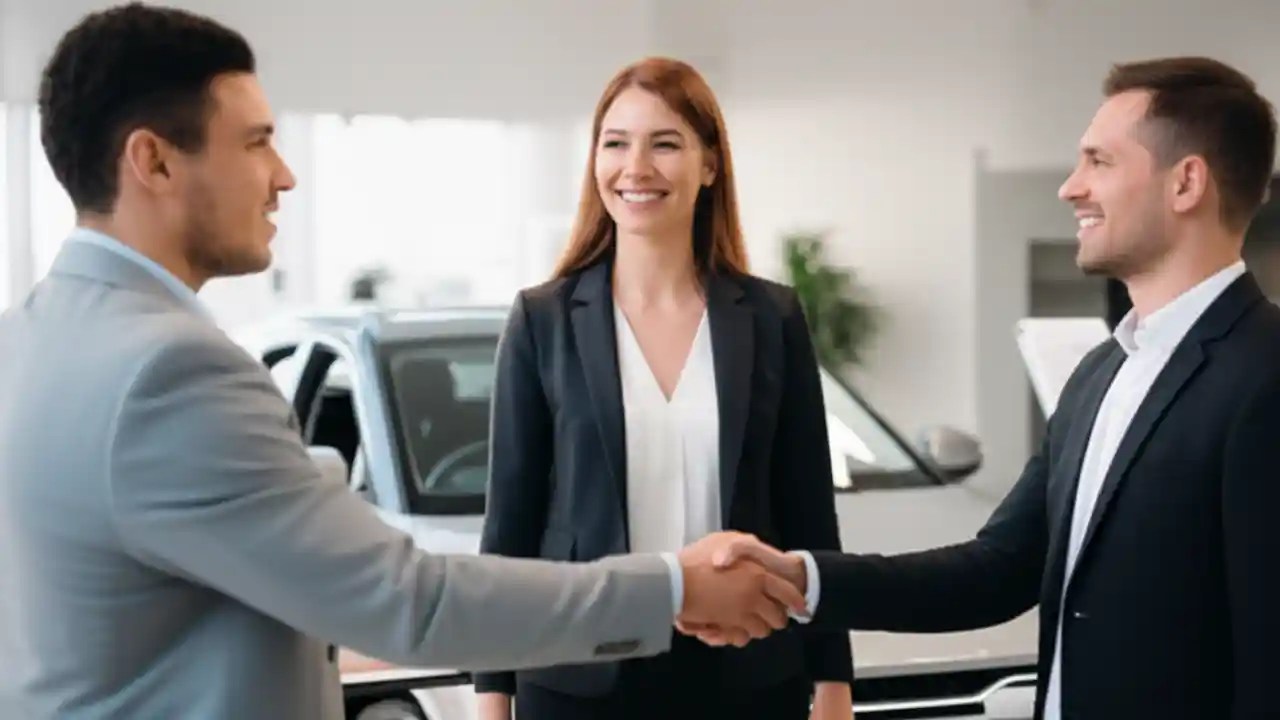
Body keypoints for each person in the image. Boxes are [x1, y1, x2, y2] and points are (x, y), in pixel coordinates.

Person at [0, 6, 807, 719]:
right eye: (256, 143)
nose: (284, 175)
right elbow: (410, 602)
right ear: (156, 162)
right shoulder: (172, 373)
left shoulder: (24, 340)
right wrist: (674, 586)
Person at [702, 56, 1280, 720]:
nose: (1071, 188)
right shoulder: (1102, 371)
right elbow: (998, 569)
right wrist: (800, 580)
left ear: (1186, 183)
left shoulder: (1264, 376)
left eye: (1100, 161)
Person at [473, 57, 854, 720]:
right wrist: (491, 700)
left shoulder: (771, 319)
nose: (636, 167)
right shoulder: (544, 320)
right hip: (577, 682)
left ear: (710, 165)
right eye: (615, 143)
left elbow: (810, 519)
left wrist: (834, 686)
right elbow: (510, 530)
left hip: (749, 681)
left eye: (665, 143)